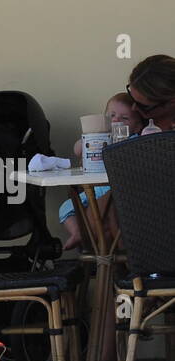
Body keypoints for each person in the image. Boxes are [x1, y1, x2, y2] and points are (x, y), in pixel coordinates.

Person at [60, 92, 142, 250]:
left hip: (115, 188)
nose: (116, 120)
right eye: (111, 115)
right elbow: (78, 150)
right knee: (66, 207)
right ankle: (76, 232)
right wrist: (88, 138)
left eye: (125, 118)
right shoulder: (99, 138)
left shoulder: (135, 141)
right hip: (94, 188)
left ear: (137, 126)